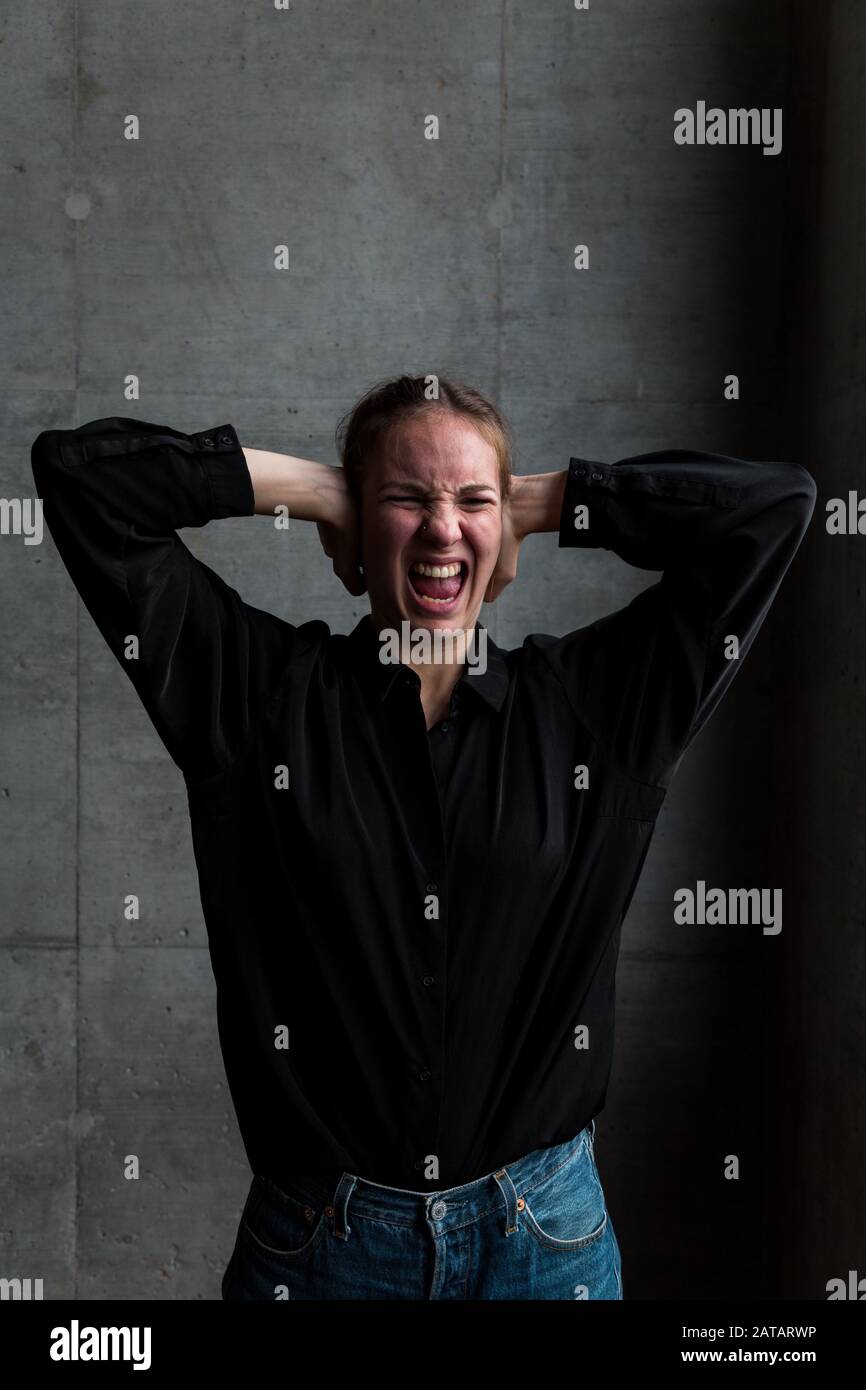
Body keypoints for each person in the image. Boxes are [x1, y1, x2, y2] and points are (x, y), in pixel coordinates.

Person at [31, 375, 816, 1300]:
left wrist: (545, 502)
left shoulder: (600, 712)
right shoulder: (254, 701)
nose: (444, 529)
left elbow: (777, 509)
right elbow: (79, 477)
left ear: (510, 541)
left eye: (473, 503)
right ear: (356, 535)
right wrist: (308, 489)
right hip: (322, 1250)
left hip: (543, 1244)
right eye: (405, 499)